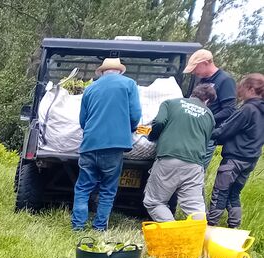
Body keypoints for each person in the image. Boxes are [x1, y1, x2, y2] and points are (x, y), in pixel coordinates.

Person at [72, 58, 142, 232]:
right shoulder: (129, 84)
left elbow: (83, 120)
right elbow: (135, 114)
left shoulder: (90, 88)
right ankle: (99, 227)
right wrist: (128, 130)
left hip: (89, 144)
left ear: (102, 72)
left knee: (82, 188)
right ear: (120, 71)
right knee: (108, 189)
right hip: (114, 146)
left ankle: (77, 227)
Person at [142, 84, 216, 222]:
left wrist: (152, 137)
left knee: (155, 202)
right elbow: (206, 141)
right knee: (195, 208)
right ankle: (200, 238)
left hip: (170, 158)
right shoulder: (209, 115)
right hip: (195, 164)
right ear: (207, 101)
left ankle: (172, 232)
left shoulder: (171, 103)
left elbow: (159, 122)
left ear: (193, 93)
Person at [207, 73, 264, 229]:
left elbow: (225, 130)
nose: (239, 92)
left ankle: (210, 226)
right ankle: (234, 227)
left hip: (234, 159)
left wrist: (205, 133)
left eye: (242, 88)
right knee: (234, 194)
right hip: (250, 160)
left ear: (251, 89)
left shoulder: (247, 109)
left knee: (220, 192)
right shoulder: (261, 110)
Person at [184, 49, 237, 167]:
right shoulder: (202, 80)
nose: (193, 72)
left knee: (197, 168)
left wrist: (205, 118)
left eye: (195, 67)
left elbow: (229, 110)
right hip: (194, 131)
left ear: (206, 63)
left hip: (207, 134)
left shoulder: (225, 80)